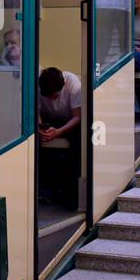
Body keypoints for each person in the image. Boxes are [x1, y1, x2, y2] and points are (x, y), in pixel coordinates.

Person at [37, 67, 82, 207]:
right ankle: (41, 189)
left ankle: (72, 193)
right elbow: (35, 111)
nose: (51, 100)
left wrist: (59, 132)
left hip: (70, 122)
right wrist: (39, 128)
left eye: (54, 96)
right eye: (48, 98)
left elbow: (77, 117)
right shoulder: (37, 84)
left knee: (80, 141)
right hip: (49, 120)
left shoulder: (73, 84)